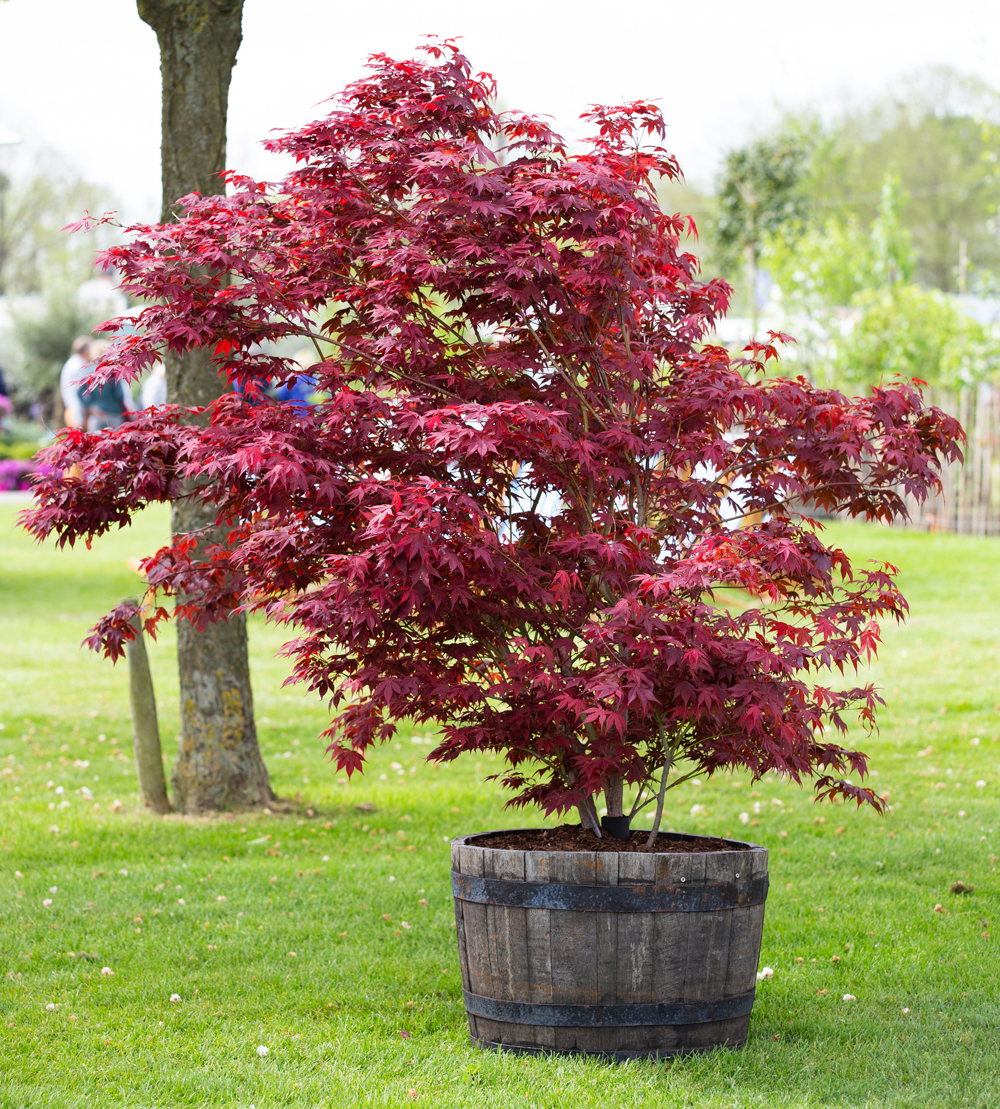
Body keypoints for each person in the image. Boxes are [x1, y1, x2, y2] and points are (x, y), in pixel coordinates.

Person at [76, 341, 137, 431]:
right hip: (113, 413)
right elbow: (119, 395)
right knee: (115, 443)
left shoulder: (89, 372)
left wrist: (89, 406)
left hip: (96, 414)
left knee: (97, 443)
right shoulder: (112, 372)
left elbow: (78, 392)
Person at [60, 337, 92, 427]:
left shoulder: (72, 363)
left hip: (73, 409)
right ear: (86, 350)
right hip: (78, 412)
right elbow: (79, 392)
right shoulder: (78, 366)